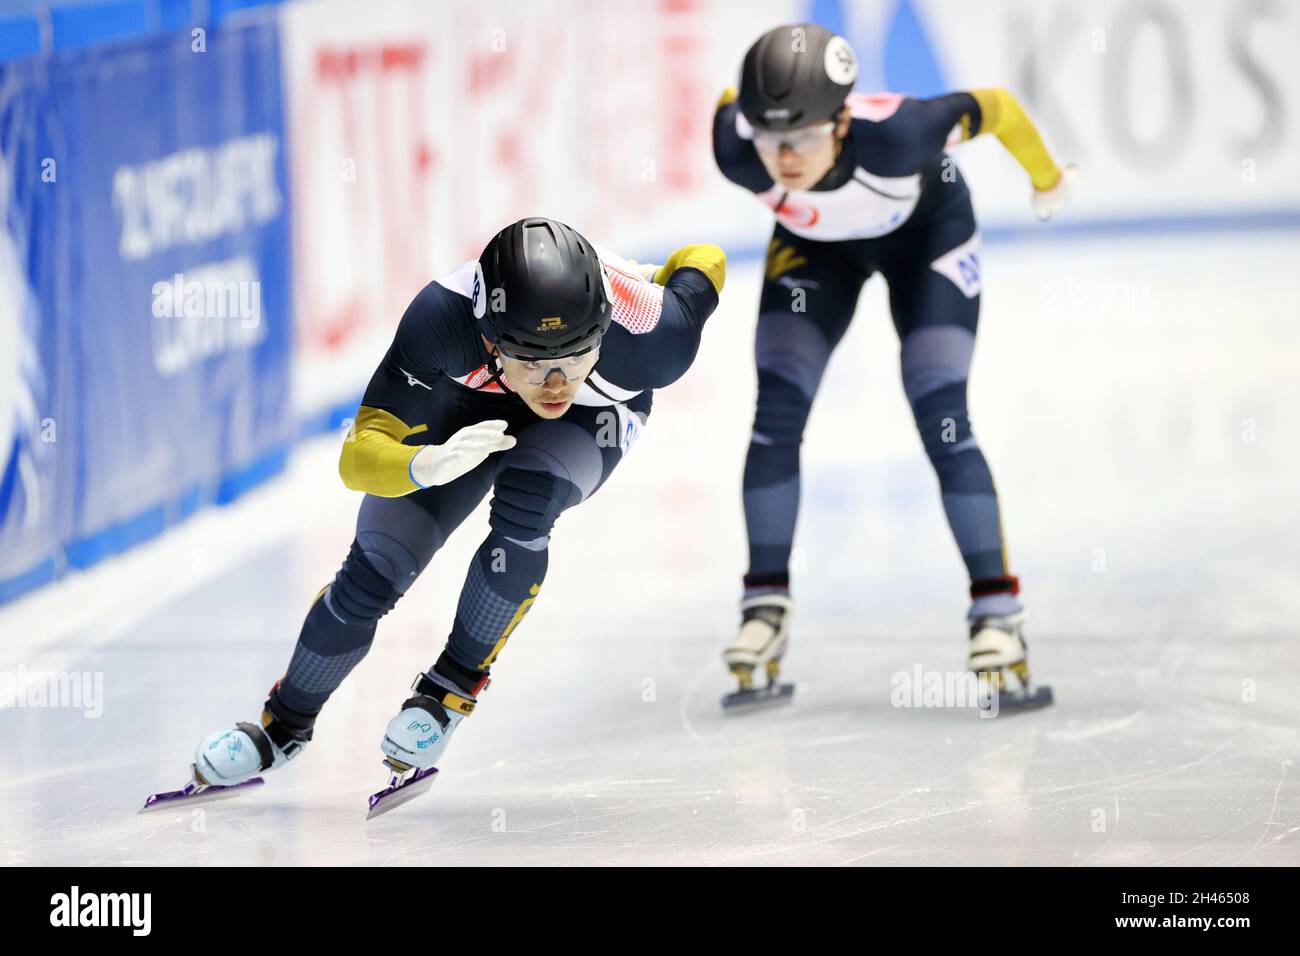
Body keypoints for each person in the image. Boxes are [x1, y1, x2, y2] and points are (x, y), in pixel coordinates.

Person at [180, 218, 726, 800]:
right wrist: (420, 466)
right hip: (461, 404)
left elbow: (706, 254)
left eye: (576, 351)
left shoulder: (654, 338)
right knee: (373, 570)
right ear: (489, 337)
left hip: (588, 419)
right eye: (534, 358)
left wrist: (652, 282)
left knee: (528, 501)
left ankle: (447, 693)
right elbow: (357, 456)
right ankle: (281, 726)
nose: (557, 380)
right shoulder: (440, 322)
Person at [712, 23, 1074, 706]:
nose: (784, 159)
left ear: (843, 120)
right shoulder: (736, 148)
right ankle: (763, 606)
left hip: (927, 240)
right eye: (768, 139)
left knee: (940, 409)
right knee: (777, 411)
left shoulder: (905, 135)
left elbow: (995, 105)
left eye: (803, 138)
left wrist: (1048, 180)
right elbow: (732, 104)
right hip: (817, 251)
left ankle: (997, 611)